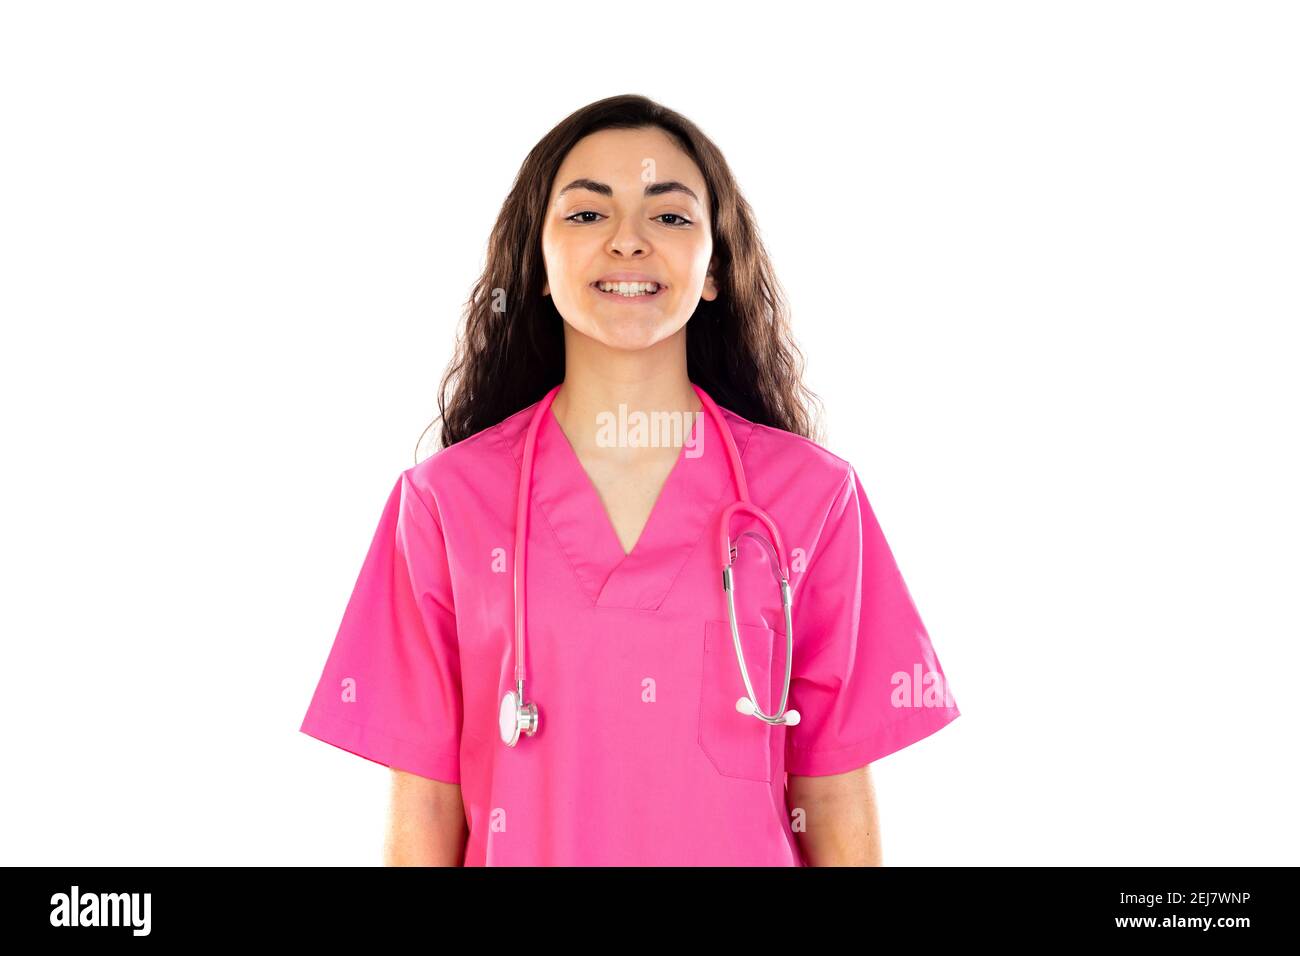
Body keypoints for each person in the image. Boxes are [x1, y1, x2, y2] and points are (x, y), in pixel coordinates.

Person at [299, 93, 960, 866]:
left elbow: (833, 794)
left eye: (670, 217)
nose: (628, 242)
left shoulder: (812, 500)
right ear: (539, 266)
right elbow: (426, 807)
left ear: (714, 270)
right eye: (586, 216)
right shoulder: (445, 504)